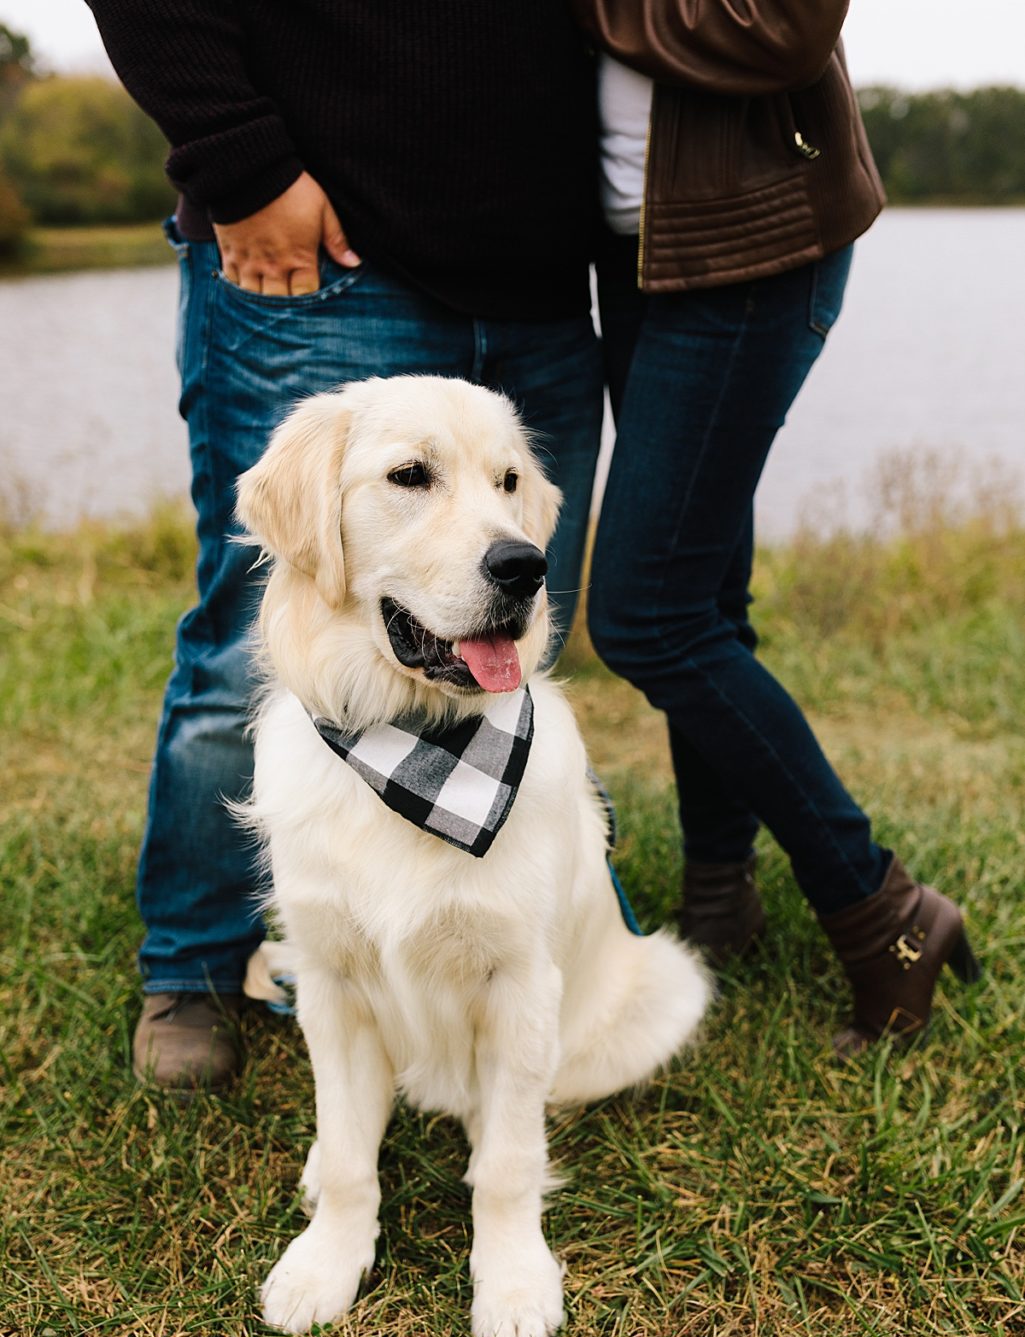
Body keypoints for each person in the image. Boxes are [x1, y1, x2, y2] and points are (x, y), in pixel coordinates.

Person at [87, 2, 605, 1091]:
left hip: (543, 279)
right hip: (318, 251)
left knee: (491, 645)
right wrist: (241, 162)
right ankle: (193, 960)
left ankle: (461, 936)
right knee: (256, 629)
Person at [570, 0, 978, 1056]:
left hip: (751, 253)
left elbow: (777, 29)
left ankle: (882, 912)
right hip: (634, 257)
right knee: (699, 594)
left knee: (645, 615)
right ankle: (719, 895)